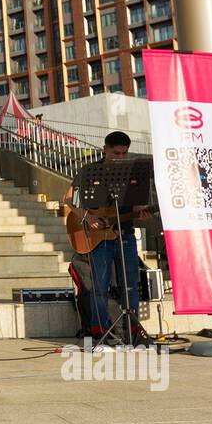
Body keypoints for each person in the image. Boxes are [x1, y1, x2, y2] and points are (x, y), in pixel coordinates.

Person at [61, 131, 151, 343]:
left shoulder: (132, 173)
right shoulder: (89, 171)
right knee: (99, 285)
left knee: (130, 284)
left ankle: (132, 330)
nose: (120, 157)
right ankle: (98, 330)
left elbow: (136, 205)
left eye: (124, 153)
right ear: (105, 150)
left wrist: (142, 212)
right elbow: (68, 198)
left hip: (125, 233)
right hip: (98, 237)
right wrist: (88, 217)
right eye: (116, 153)